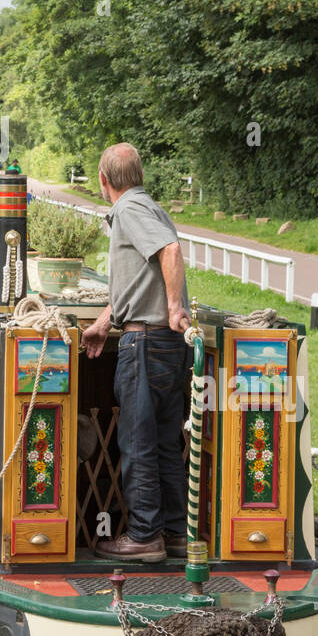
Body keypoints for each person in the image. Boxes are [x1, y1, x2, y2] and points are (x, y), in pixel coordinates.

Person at [81, 143, 190, 563]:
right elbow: (141, 279)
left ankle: (145, 536)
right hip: (164, 345)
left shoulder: (127, 210)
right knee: (164, 442)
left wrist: (175, 307)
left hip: (145, 345)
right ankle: (176, 533)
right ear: (139, 174)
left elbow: (169, 252)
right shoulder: (150, 206)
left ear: (103, 181)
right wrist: (106, 321)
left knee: (137, 441)